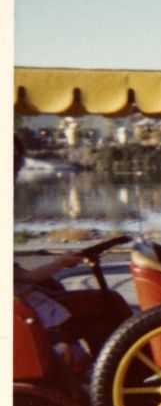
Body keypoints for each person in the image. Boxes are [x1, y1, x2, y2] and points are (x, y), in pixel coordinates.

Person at [13, 135, 132, 371]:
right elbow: (25, 279)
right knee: (107, 305)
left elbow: (23, 276)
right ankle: (117, 380)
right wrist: (60, 263)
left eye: (16, 164)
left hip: (21, 301)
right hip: (19, 313)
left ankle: (110, 377)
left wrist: (61, 262)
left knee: (106, 302)